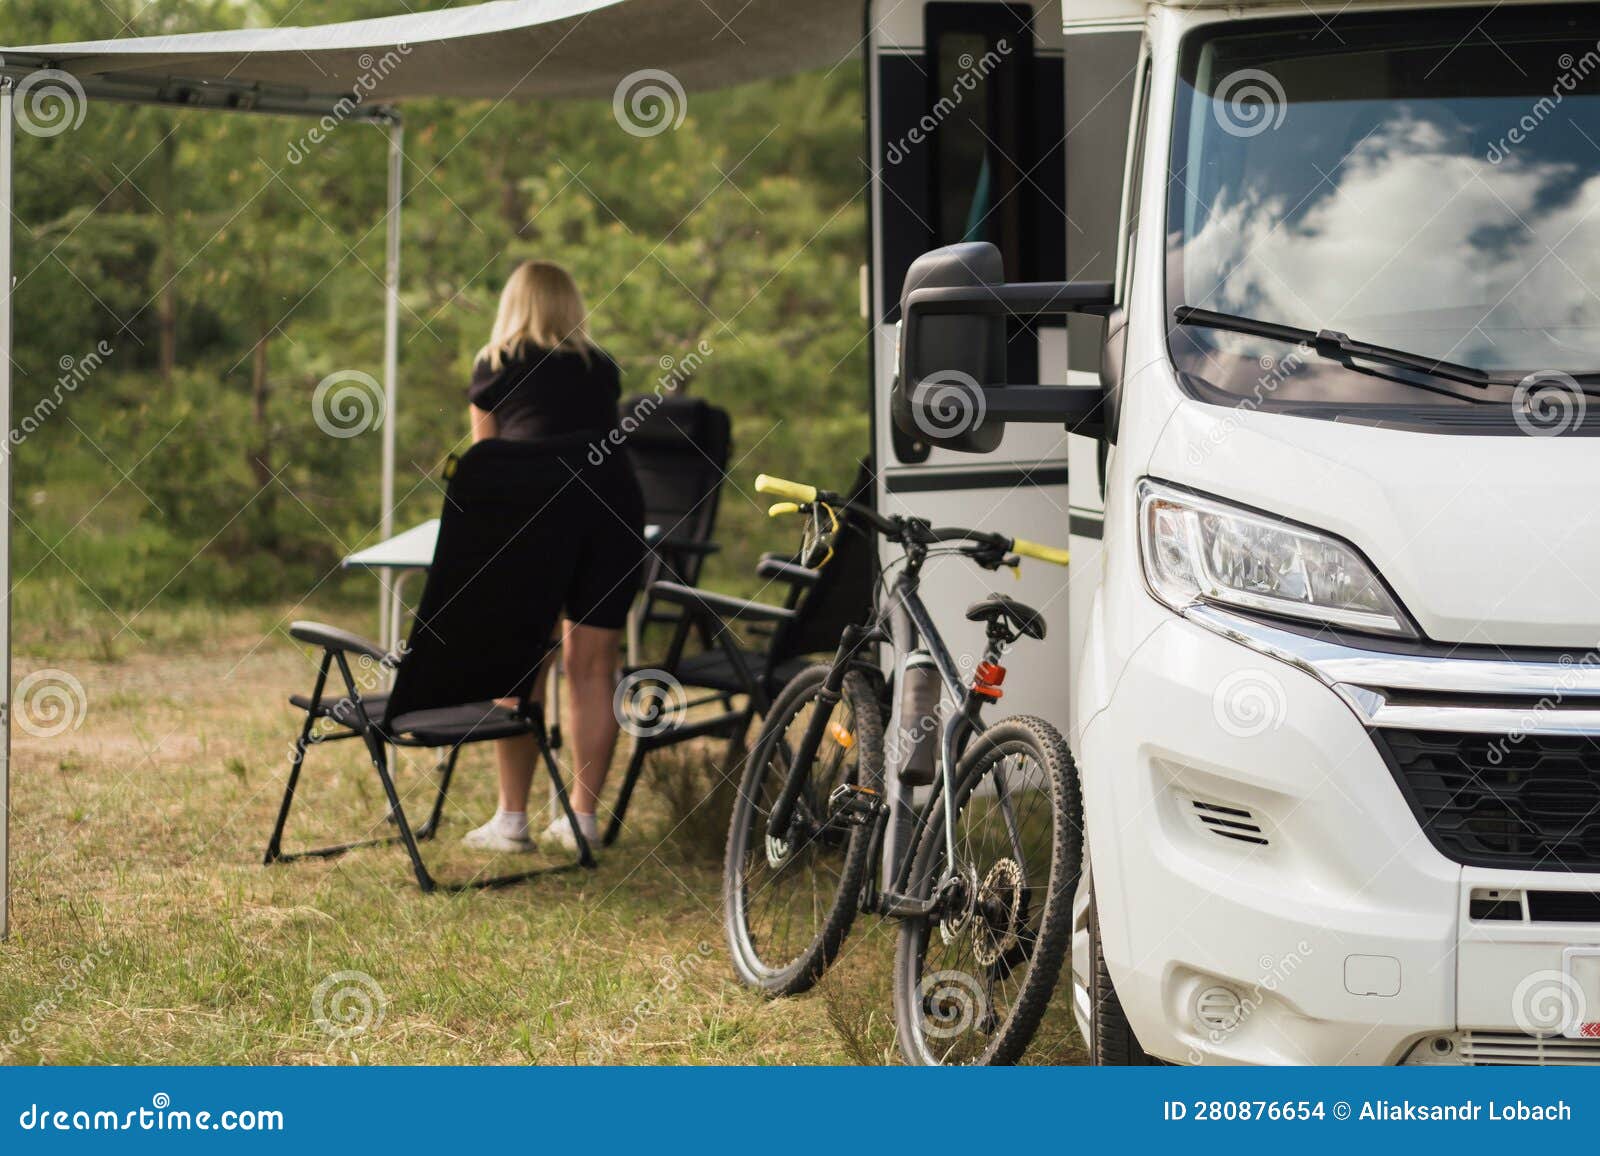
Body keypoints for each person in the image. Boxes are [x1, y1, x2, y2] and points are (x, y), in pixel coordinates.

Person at [460, 259, 643, 853]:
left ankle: (511, 820)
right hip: (613, 514)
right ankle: (581, 819)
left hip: (532, 514)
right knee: (593, 667)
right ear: (571, 305)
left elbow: (486, 466)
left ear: (512, 303)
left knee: (520, 665)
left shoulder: (494, 363)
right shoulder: (600, 367)